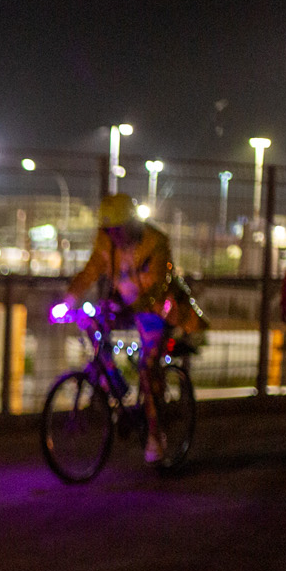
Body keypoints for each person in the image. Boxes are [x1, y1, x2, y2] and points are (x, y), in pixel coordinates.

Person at [62, 192, 201, 462]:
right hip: (125, 304)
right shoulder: (106, 242)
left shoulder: (156, 241)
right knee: (91, 325)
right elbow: (91, 271)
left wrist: (131, 306)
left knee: (148, 369)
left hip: (157, 308)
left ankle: (155, 434)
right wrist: (68, 299)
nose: (115, 236)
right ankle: (117, 384)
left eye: (118, 230)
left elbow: (159, 286)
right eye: (109, 231)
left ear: (131, 225)